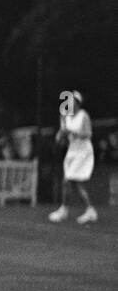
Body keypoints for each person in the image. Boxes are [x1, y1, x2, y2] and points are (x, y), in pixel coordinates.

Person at [49, 91, 98, 224]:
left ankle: (64, 210)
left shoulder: (83, 116)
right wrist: (61, 133)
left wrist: (71, 131)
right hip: (72, 151)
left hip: (83, 152)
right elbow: (62, 139)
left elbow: (87, 134)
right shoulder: (67, 117)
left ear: (78, 103)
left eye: (73, 101)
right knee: (76, 183)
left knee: (67, 180)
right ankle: (90, 210)